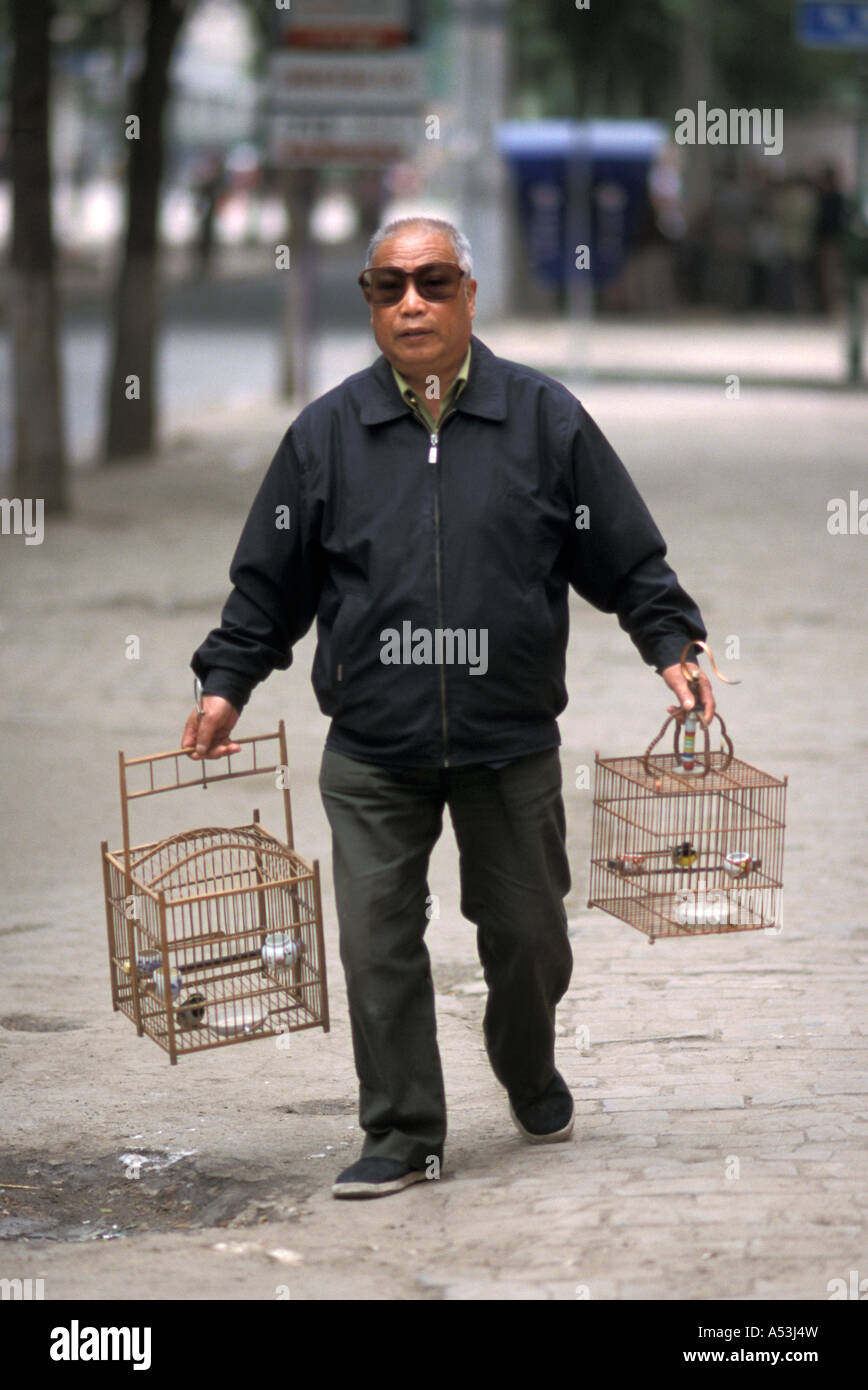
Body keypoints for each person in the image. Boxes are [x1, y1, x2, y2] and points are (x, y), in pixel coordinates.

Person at [182, 216, 714, 1200]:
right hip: (373, 744)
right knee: (375, 941)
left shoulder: (543, 421)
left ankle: (525, 1062)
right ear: (371, 302)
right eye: (389, 287)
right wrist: (226, 681)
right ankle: (401, 1131)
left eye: (432, 282)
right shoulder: (327, 434)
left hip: (506, 739)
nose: (411, 302)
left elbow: (627, 557)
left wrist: (670, 641)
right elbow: (268, 584)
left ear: (469, 294)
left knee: (525, 936)